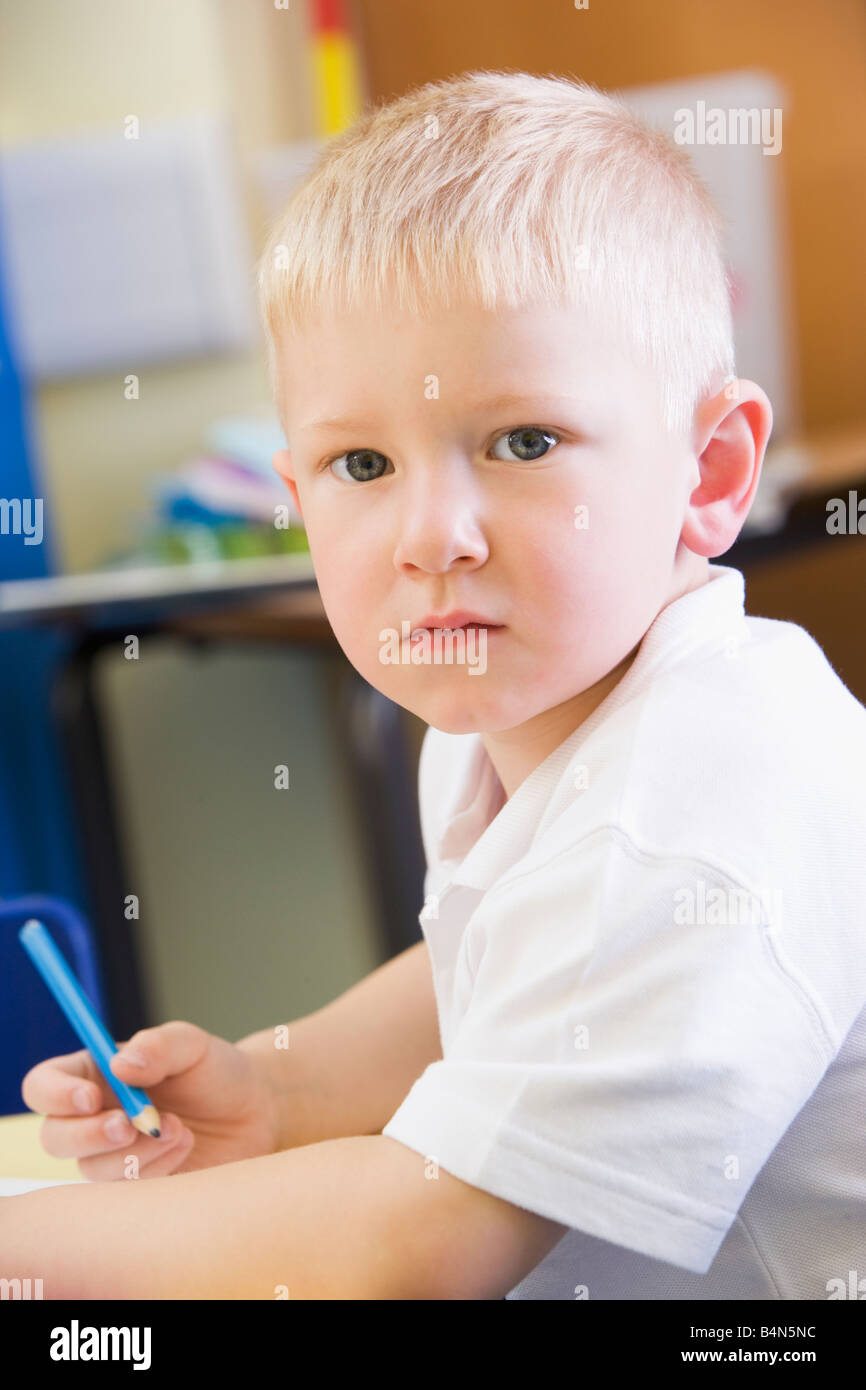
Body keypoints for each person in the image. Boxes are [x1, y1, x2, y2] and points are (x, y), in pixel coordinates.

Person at [13, 70, 866, 1300]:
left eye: (521, 442)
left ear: (710, 468)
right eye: (361, 462)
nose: (430, 537)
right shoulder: (500, 712)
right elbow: (506, 965)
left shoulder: (698, 793)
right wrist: (283, 1086)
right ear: (297, 504)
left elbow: (410, 1251)